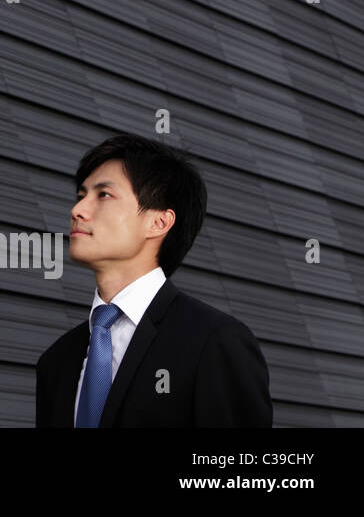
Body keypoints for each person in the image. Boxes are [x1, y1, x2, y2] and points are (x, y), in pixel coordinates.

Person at [35, 133, 272, 427]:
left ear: (158, 222)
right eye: (81, 196)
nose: (77, 210)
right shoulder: (57, 361)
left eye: (104, 195)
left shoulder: (213, 343)